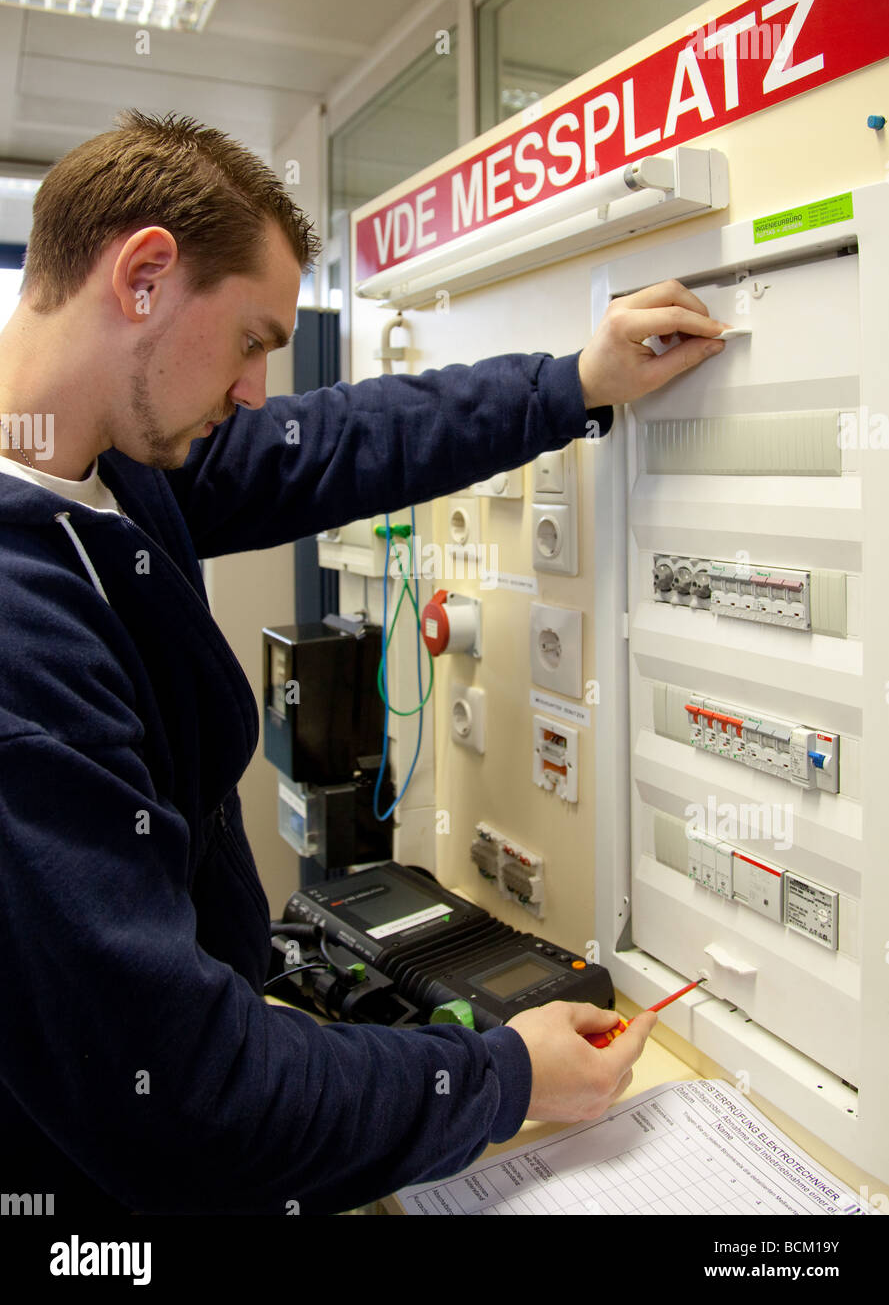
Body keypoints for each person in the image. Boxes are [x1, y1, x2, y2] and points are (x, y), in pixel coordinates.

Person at [0, 110, 727, 1217]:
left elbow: (337, 438)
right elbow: (182, 1100)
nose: (254, 389)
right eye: (250, 339)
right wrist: (507, 1076)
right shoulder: (17, 627)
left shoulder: (105, 463)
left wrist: (571, 383)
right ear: (143, 275)